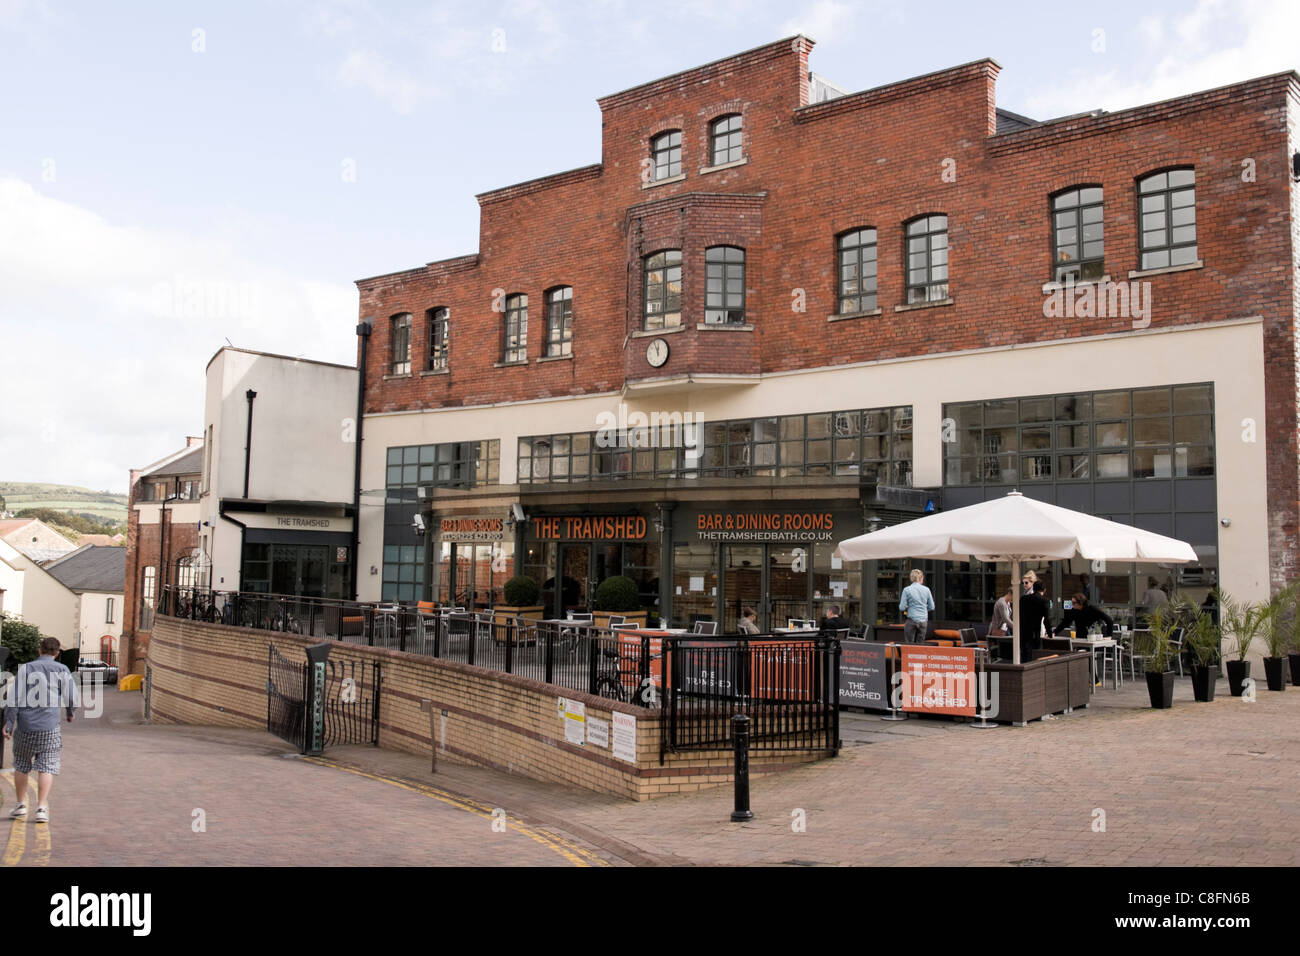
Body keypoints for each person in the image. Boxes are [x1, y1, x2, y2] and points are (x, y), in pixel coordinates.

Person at [3, 638, 79, 824]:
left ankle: (21, 805)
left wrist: (9, 722)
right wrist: (70, 713)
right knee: (46, 766)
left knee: (21, 764)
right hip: (49, 726)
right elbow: (71, 696)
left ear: (39, 650)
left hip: (26, 726)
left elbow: (14, 698)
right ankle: (41, 808)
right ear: (57, 652)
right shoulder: (62, 670)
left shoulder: (26, 669)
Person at [899, 569, 934, 643]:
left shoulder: (906, 590)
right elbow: (932, 607)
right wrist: (923, 608)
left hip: (911, 619)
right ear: (921, 578)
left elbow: (901, 607)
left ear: (911, 578)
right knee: (920, 645)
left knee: (909, 644)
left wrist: (908, 607)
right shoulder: (927, 590)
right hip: (923, 620)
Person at [1018, 581, 1050, 662]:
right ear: (1044, 590)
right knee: (1033, 658)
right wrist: (1050, 633)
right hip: (1034, 634)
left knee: (1024, 656)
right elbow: (1046, 620)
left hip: (1022, 632)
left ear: (1034, 589)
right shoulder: (1044, 601)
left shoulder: (1023, 599)